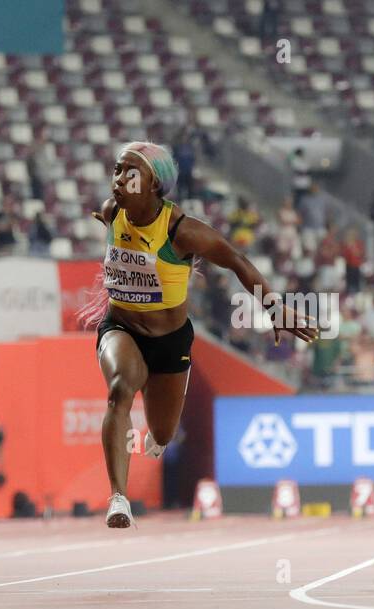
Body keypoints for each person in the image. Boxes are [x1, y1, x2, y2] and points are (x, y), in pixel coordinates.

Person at [80, 141, 316, 528]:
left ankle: (159, 427)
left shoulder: (182, 230)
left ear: (154, 183)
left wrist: (274, 308)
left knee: (163, 433)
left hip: (170, 342)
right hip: (121, 327)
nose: (119, 179)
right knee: (121, 388)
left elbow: (237, 261)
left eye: (129, 173)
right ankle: (118, 498)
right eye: (117, 170)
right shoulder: (112, 213)